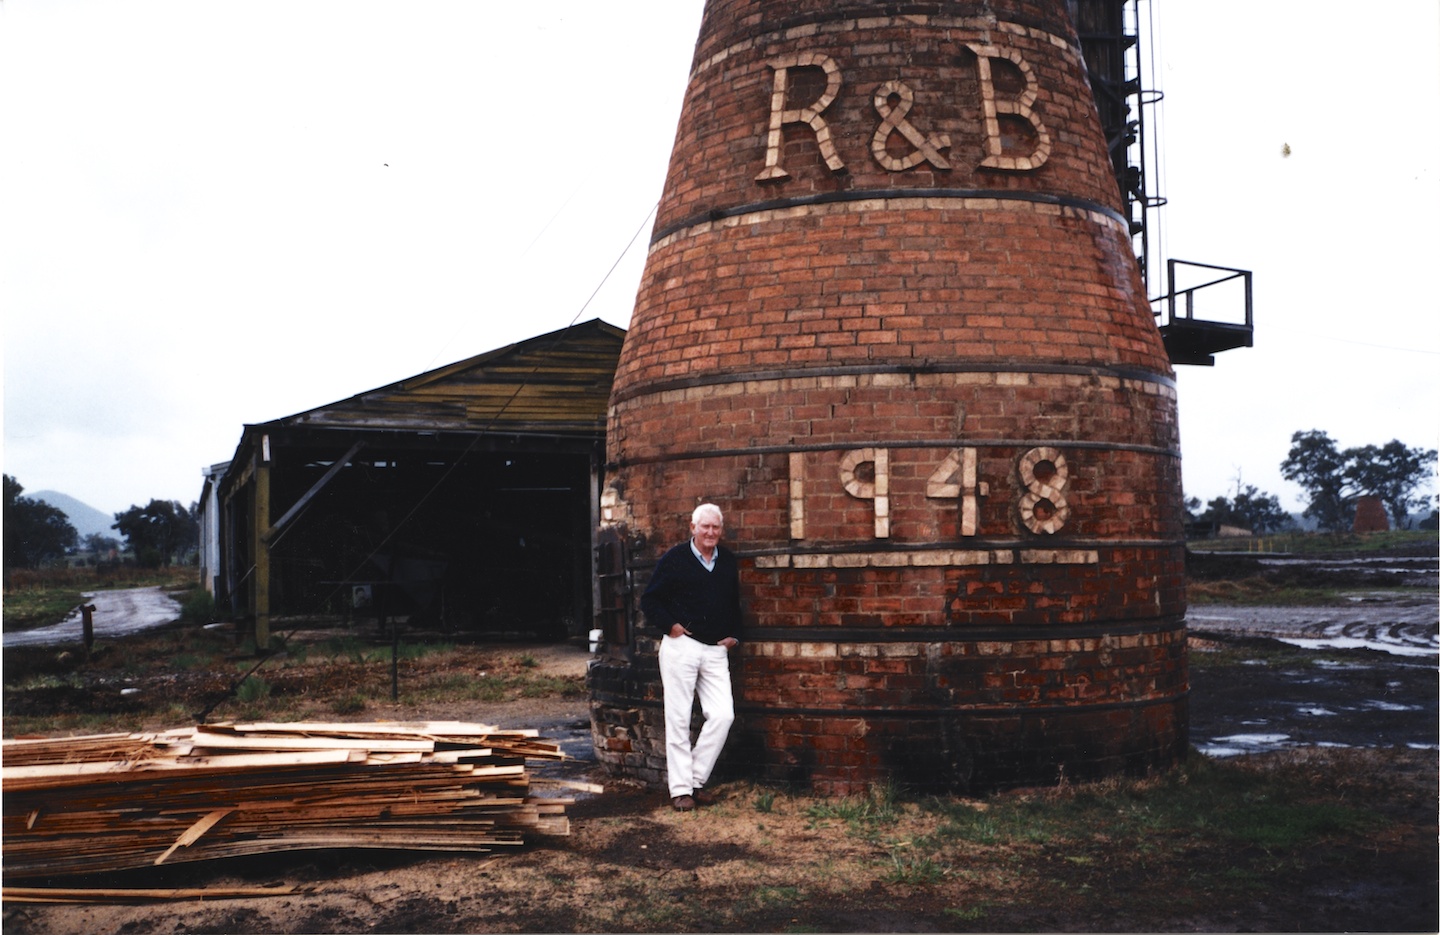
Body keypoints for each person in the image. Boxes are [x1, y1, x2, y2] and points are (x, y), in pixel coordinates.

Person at [640, 503, 742, 811]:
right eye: (705, 527)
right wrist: (671, 627)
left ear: (720, 530)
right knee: (679, 718)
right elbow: (650, 599)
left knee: (723, 715)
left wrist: (734, 636)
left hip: (715, 650)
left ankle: (695, 780)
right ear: (692, 527)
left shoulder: (727, 562)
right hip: (682, 645)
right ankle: (681, 790)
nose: (710, 532)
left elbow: (734, 603)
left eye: (715, 527)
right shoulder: (676, 559)